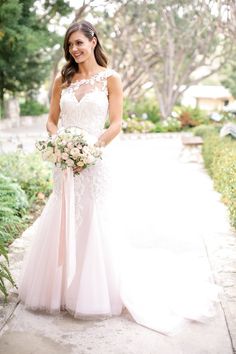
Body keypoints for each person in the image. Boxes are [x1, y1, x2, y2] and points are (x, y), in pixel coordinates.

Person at [17, 20, 222, 335]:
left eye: (79, 43)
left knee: (93, 223)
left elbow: (116, 124)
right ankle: (56, 289)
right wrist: (60, 145)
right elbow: (51, 120)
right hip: (64, 163)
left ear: (93, 41)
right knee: (62, 219)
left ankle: (91, 292)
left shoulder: (111, 79)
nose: (74, 49)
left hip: (94, 160)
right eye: (70, 45)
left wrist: (91, 149)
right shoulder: (63, 79)